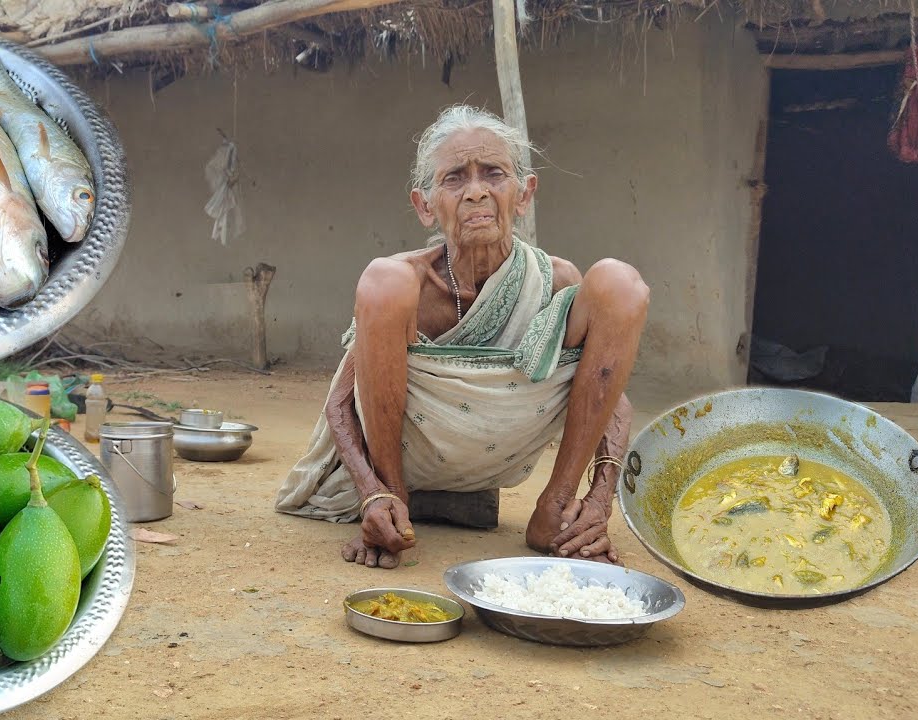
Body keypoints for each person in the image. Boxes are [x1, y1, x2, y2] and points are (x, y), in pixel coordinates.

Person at [274, 105, 650, 569]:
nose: (476, 192)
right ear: (425, 205)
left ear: (524, 193)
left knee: (620, 283)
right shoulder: (403, 285)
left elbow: (613, 398)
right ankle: (399, 501)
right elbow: (339, 404)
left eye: (493, 173)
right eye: (454, 178)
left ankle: (555, 506)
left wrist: (598, 499)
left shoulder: (553, 281)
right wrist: (373, 494)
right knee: (381, 278)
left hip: (501, 461)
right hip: (407, 464)